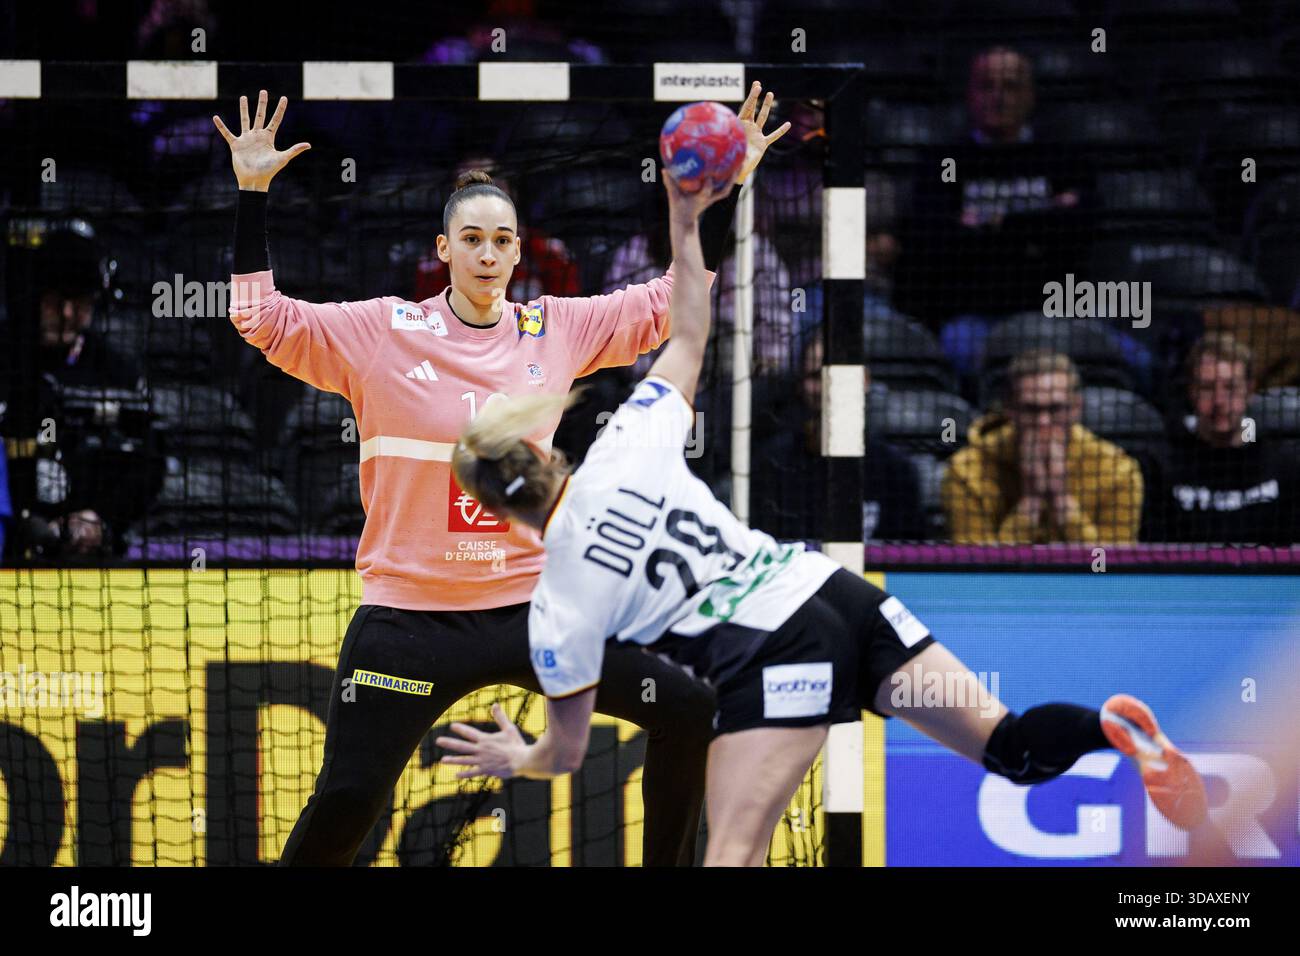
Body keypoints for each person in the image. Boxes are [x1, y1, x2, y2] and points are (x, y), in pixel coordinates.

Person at [436, 167, 1208, 866]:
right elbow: (693, 328)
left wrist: (521, 756)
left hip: (769, 653)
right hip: (832, 590)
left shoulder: (557, 602)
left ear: (491, 509)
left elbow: (566, 755)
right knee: (1011, 748)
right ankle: (1108, 726)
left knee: (732, 855)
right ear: (546, 456)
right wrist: (683, 213)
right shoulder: (624, 443)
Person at [212, 83, 790, 866]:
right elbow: (261, 319)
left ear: (520, 252)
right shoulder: (383, 330)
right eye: (473, 240)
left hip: (533, 606)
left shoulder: (554, 327)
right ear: (443, 251)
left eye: (502, 241)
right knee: (348, 798)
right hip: (412, 618)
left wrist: (726, 190)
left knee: (690, 706)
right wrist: (252, 193)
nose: (488, 254)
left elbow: (672, 302)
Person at [0, 221, 163, 560]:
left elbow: (150, 463)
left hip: (94, 559)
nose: (67, 315)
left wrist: (99, 519)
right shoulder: (7, 358)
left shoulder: (118, 371)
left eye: (80, 302)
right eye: (54, 301)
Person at [941, 350, 1143, 544]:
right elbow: (976, 571)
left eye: (1055, 409)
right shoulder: (965, 471)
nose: (1043, 422)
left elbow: (1113, 569)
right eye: (1031, 409)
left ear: (1076, 408)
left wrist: (1062, 502)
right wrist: (1031, 503)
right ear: (1009, 408)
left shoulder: (1118, 470)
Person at [1148, 333, 1300, 544]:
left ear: (1249, 390)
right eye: (1208, 388)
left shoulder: (1285, 465)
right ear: (1192, 392)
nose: (1219, 400)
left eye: (1231, 387)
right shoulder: (1162, 466)